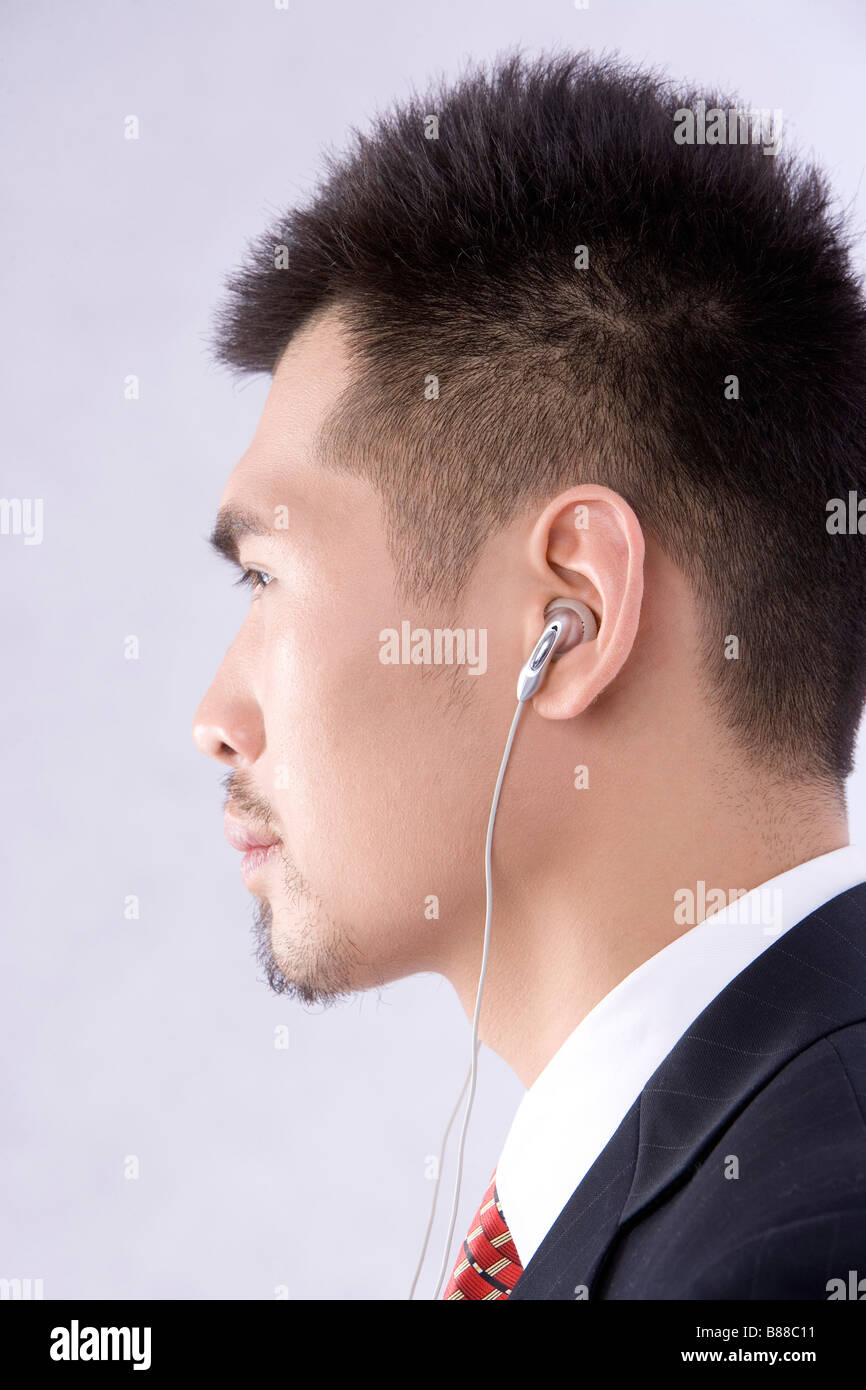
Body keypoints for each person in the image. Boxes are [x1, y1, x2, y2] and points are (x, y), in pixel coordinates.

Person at [192, 51, 866, 1299]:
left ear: (570, 612)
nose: (213, 721)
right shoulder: (729, 1181)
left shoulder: (794, 1253)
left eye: (267, 578)